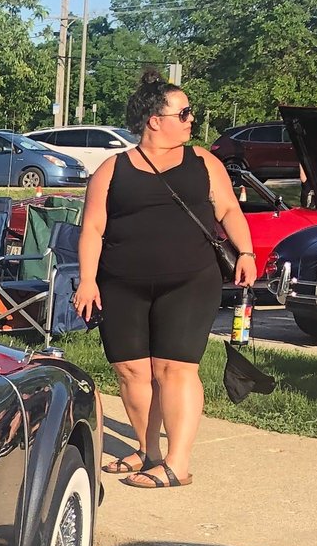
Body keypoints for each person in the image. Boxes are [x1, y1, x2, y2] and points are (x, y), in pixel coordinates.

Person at [74, 74, 258, 490]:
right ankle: (149, 451)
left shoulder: (203, 162)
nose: (192, 119)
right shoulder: (112, 169)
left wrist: (246, 252)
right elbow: (93, 229)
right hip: (122, 284)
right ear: (155, 120)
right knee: (131, 371)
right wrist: (87, 280)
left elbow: (229, 210)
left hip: (189, 282)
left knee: (175, 368)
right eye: (185, 113)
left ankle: (177, 463)